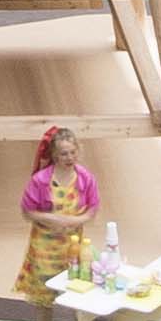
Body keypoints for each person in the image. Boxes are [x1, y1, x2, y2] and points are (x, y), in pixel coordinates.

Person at [18, 121, 103, 289]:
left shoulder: (85, 179)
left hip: (72, 245)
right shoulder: (41, 180)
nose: (70, 158)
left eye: (73, 152)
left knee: (76, 287)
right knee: (43, 291)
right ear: (55, 155)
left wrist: (73, 221)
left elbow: (92, 209)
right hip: (44, 247)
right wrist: (51, 218)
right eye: (64, 154)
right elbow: (27, 211)